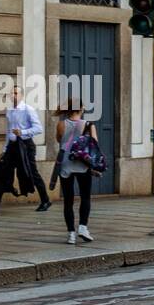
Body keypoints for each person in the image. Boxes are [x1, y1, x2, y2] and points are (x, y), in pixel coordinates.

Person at [0, 86, 50, 213]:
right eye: (11, 93)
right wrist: (5, 148)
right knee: (3, 172)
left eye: (15, 93)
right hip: (12, 146)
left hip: (25, 146)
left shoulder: (28, 109)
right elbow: (8, 131)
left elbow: (38, 128)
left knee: (32, 173)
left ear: (21, 95)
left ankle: (45, 200)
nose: (13, 95)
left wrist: (22, 132)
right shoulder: (10, 110)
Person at [47, 99, 96, 244]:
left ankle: (71, 234)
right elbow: (95, 145)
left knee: (68, 201)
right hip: (83, 165)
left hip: (66, 165)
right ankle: (83, 227)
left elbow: (59, 140)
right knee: (85, 197)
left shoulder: (61, 124)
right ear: (81, 108)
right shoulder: (88, 125)